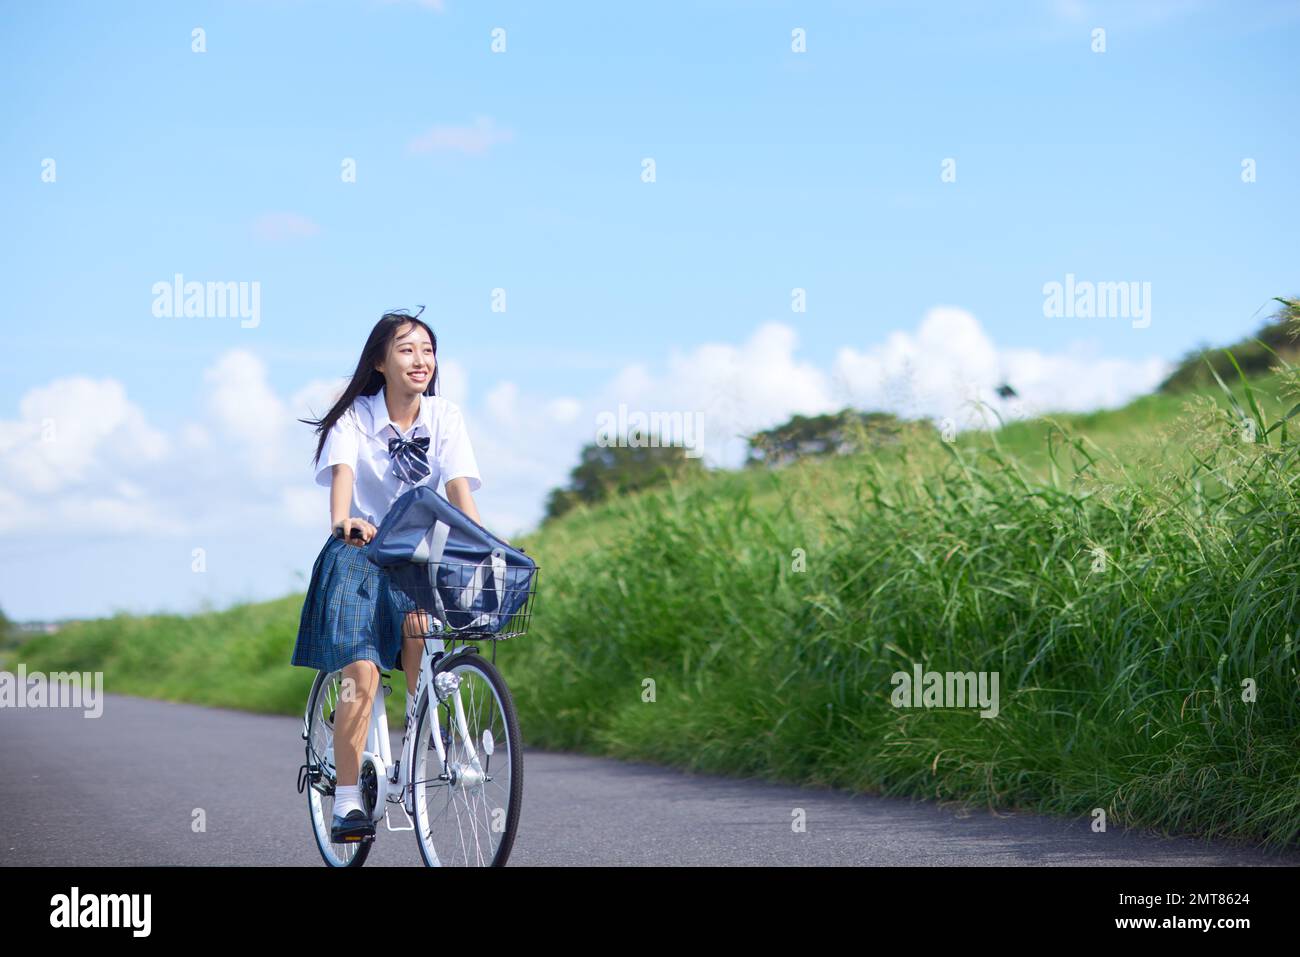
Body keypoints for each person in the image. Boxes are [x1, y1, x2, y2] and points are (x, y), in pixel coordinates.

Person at [291, 308, 484, 843]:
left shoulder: (445, 417)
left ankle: (421, 747)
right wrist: (343, 520)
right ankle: (349, 801)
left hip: (417, 558)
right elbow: (343, 477)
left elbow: (461, 495)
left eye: (427, 349)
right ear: (380, 362)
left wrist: (482, 547)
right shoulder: (356, 416)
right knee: (362, 674)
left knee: (424, 639)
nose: (420, 359)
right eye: (406, 349)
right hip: (361, 553)